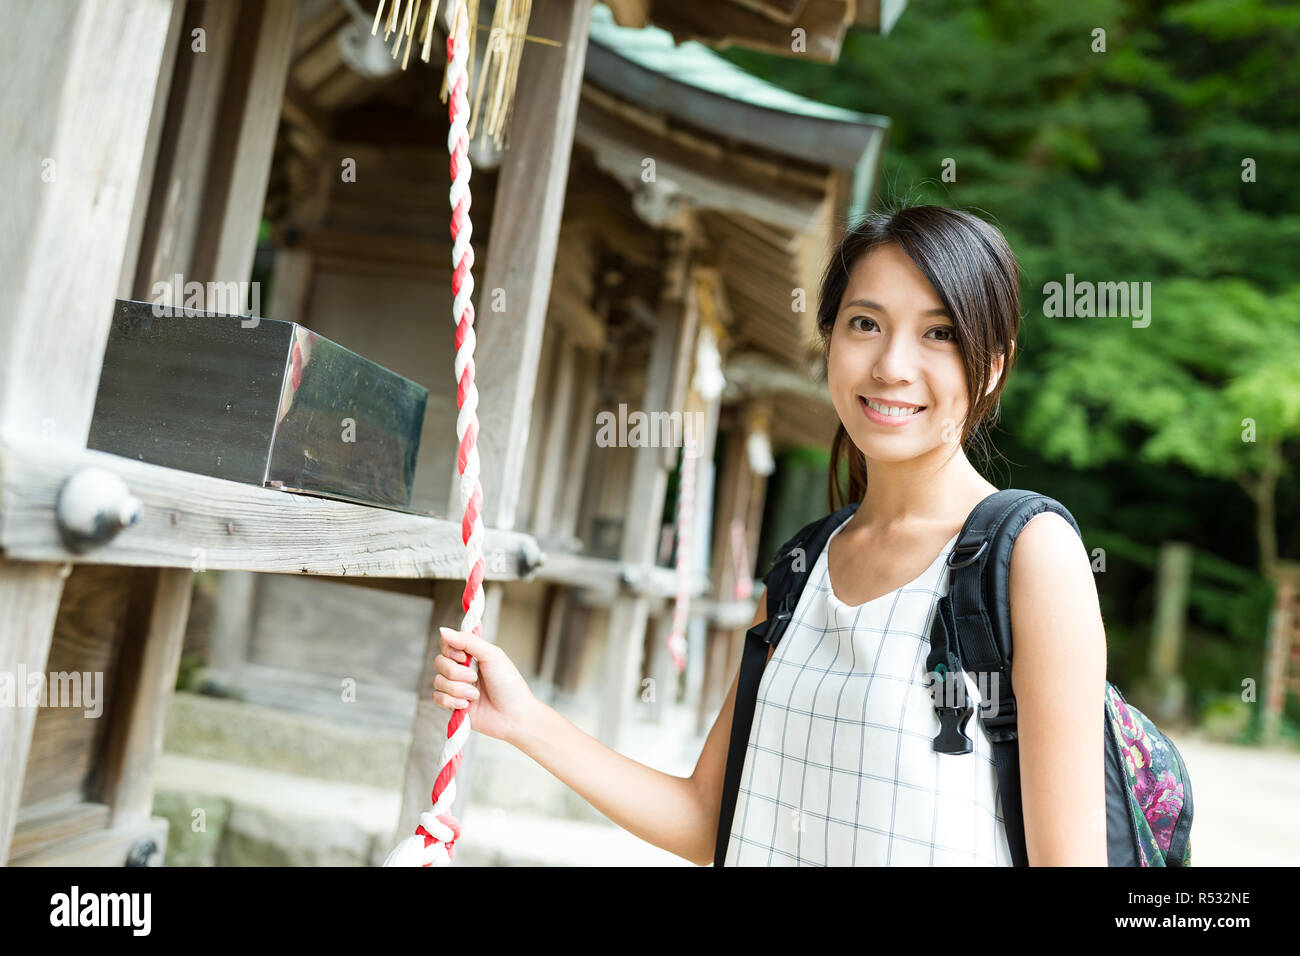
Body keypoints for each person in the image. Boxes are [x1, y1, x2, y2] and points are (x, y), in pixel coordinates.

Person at [432, 203, 1108, 866]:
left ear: (991, 363)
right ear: (830, 341)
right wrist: (524, 720)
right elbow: (705, 820)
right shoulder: (800, 567)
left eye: (939, 334)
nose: (892, 365)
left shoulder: (1028, 556)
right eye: (865, 323)